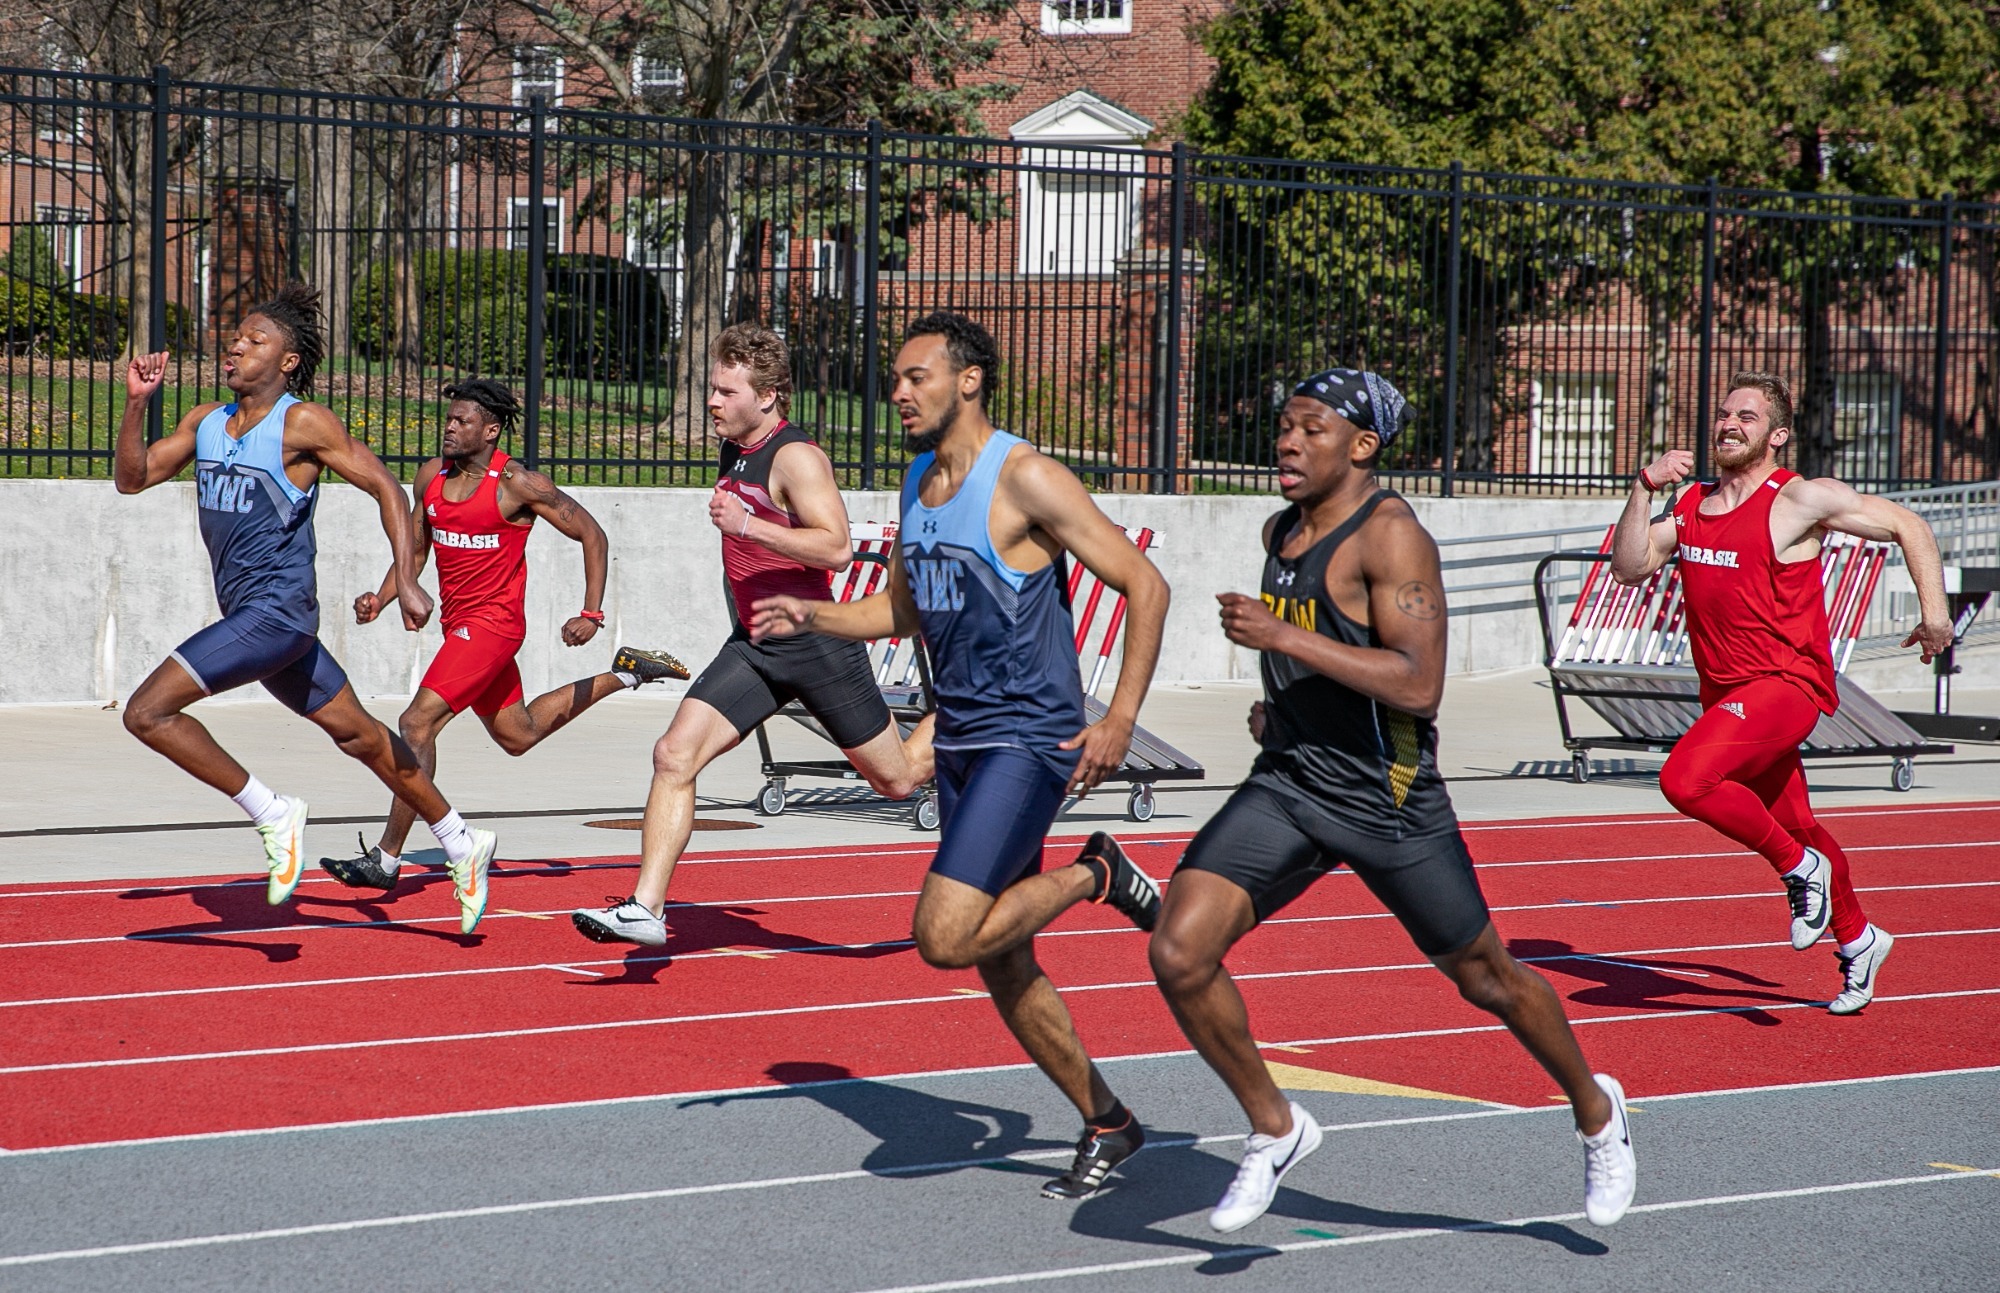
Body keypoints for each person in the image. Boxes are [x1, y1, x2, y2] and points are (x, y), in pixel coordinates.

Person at [1147, 369, 1636, 1233]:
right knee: (1180, 951)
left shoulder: (1394, 539)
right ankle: (1276, 1125)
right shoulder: (1282, 529)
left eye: (1311, 429)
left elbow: (1419, 684)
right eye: (1284, 427)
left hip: (1389, 798)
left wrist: (1280, 637)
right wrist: (1282, 700)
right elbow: (1327, 650)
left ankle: (1596, 1110)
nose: (1288, 443)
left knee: (1488, 979)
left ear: (1363, 446)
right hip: (1293, 780)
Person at [749, 311, 1172, 1201]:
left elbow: (1146, 583)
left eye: (915, 378)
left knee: (942, 935)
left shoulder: (1026, 478)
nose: (896, 393)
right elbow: (904, 611)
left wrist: (1121, 717)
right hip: (963, 740)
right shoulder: (916, 482)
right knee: (1001, 958)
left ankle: (1098, 871)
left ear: (968, 380)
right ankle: (1110, 1121)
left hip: (1029, 736)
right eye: (894, 379)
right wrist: (812, 613)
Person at [113, 283, 497, 935]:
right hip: (260, 623)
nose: (236, 345)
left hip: (278, 614)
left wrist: (404, 578)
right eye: (236, 336)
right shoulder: (204, 421)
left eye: (255, 339)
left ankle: (271, 811)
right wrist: (134, 404)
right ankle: (461, 839)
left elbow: (385, 487)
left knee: (147, 711)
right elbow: (132, 476)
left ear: (287, 361)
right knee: (364, 737)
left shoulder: (302, 422)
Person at [572, 323, 935, 946]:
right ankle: (646, 908)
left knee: (897, 780)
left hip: (815, 643)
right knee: (672, 754)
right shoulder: (735, 445)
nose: (712, 401)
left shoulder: (797, 458)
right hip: (755, 644)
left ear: (767, 396)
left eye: (725, 391)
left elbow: (837, 549)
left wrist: (748, 525)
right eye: (711, 388)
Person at [1612, 371, 1953, 1014]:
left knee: (1685, 782)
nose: (1729, 424)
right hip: (1727, 694)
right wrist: (1642, 488)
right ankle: (1859, 939)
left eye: (1745, 416)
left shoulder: (1798, 499)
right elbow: (1630, 567)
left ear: (1776, 435)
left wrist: (1935, 616)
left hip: (1787, 684)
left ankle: (1798, 872)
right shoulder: (1689, 508)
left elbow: (1910, 527)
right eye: (1723, 414)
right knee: (1799, 823)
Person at [321, 377, 688, 892]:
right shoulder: (430, 476)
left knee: (415, 724)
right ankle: (626, 673)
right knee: (519, 735)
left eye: (462, 421)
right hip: (458, 625)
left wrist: (592, 612)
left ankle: (386, 859)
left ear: (490, 430)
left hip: (494, 627)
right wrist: (383, 598)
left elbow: (592, 534)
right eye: (448, 418)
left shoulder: (517, 484)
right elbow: (418, 548)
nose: (449, 427)